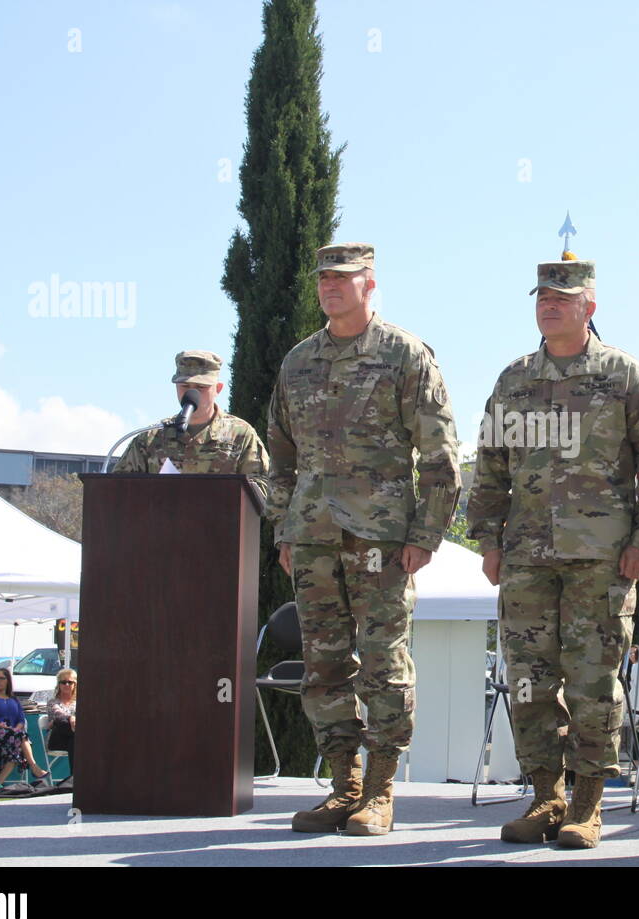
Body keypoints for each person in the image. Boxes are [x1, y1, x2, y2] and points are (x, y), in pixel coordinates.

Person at [467, 256, 639, 849]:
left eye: (563, 297)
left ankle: (587, 804)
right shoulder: (513, 380)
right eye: (543, 296)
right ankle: (545, 797)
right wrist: (486, 539)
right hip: (526, 555)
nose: (550, 304)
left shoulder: (624, 375)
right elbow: (489, 467)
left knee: (592, 681)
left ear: (590, 306)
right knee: (529, 681)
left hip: (604, 559)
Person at [267, 242, 461, 837]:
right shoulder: (299, 361)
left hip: (381, 536)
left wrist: (427, 532)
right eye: (323, 277)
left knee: (383, 664)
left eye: (343, 278)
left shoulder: (404, 354)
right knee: (323, 667)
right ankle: (343, 786)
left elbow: (440, 454)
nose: (330, 286)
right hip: (313, 536)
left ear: (369, 284)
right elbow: (280, 454)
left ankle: (380, 792)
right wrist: (285, 527)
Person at [113, 350, 270, 500]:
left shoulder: (240, 434)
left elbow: (264, 489)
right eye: (185, 386)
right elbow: (117, 487)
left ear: (218, 388)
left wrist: (217, 493)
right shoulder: (152, 436)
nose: (191, 394)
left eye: (201, 387)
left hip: (220, 524)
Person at [0, 668, 48, 784]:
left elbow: (21, 719)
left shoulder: (13, 699)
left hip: (12, 736)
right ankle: (34, 767)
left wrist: (16, 728)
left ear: (7, 681)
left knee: (16, 745)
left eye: (1, 678)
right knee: (18, 739)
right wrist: (3, 727)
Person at [46, 668, 77, 775]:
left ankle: (74, 778)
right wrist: (71, 718)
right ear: (59, 684)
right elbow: (58, 713)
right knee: (59, 722)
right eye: (63, 682)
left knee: (74, 739)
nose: (67, 685)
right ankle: (75, 779)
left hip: (74, 740)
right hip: (57, 740)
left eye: (70, 682)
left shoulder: (79, 702)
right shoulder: (53, 702)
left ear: (75, 684)